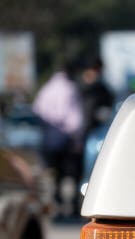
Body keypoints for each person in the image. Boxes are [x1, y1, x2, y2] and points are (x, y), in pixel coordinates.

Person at [32, 60, 84, 214]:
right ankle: (73, 206)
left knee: (55, 175)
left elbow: (37, 110)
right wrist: (77, 138)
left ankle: (56, 204)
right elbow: (76, 119)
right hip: (67, 139)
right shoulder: (70, 89)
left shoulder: (46, 89)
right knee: (73, 175)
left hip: (50, 140)